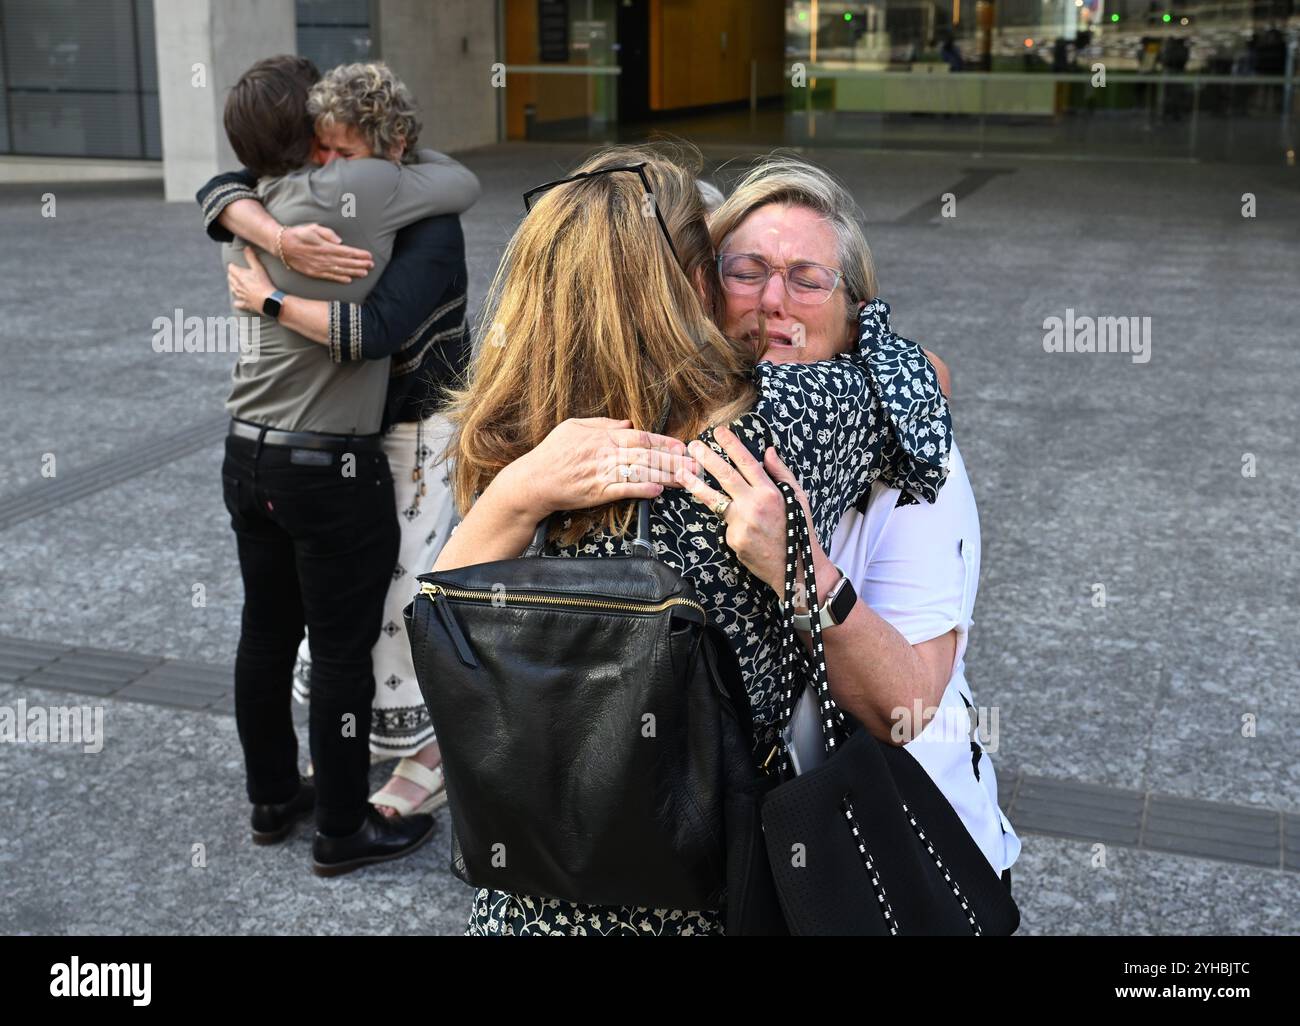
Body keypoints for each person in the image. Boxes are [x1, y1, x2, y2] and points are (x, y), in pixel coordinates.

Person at [431, 144, 953, 935]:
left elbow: (443, 625)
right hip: (703, 887)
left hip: (532, 889)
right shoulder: (777, 422)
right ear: (690, 284)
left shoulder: (517, 434)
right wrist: (852, 308)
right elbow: (925, 378)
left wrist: (520, 490)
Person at [705, 158, 1019, 886]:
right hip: (759, 860)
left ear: (854, 315)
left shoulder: (913, 456)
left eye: (807, 279)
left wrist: (803, 572)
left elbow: (907, 707)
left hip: (900, 858)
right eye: (746, 270)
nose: (772, 300)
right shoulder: (697, 429)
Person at [211, 55, 477, 875]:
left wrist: (265, 256)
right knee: (338, 649)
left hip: (244, 452)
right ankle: (340, 828)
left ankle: (269, 798)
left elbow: (217, 190)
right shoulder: (368, 190)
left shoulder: (259, 201)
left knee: (264, 630)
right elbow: (459, 181)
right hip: (329, 464)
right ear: (315, 132)